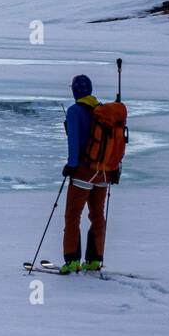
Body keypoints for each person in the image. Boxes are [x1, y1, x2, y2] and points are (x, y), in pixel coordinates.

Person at [59, 74, 110, 274]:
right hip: (104, 172)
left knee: (72, 216)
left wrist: (71, 166)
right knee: (97, 215)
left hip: (83, 172)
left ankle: (72, 260)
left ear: (75, 91)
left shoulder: (74, 111)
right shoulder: (102, 110)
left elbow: (74, 142)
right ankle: (95, 260)